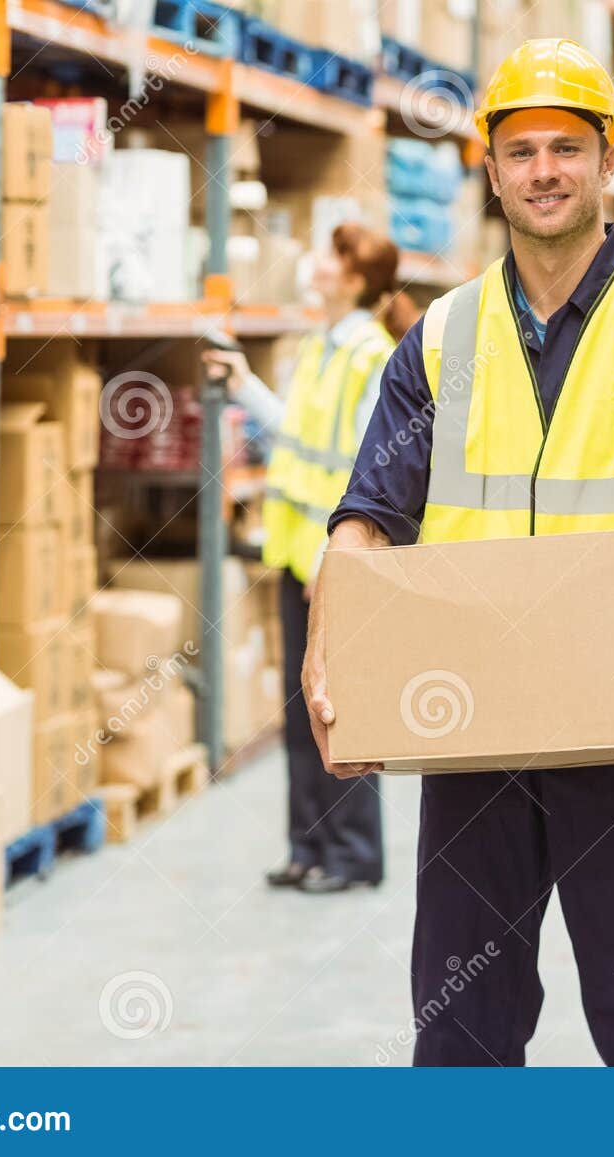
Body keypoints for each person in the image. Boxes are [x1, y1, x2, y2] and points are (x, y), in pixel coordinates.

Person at [303, 39, 614, 1065]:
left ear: (608, 161)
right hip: (470, 728)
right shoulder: (439, 337)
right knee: (460, 1026)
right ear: (490, 166)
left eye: (568, 146)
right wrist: (327, 645)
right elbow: (364, 514)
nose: (544, 170)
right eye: (521, 150)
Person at [202, 223, 417, 894]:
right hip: (299, 553)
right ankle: (308, 846)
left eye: (330, 255)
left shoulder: (369, 357)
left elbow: (368, 467)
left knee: (339, 708)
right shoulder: (320, 348)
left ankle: (352, 853)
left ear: (353, 278)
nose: (315, 264)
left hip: (334, 561)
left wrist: (338, 557)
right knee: (300, 709)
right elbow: (299, 434)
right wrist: (242, 383)